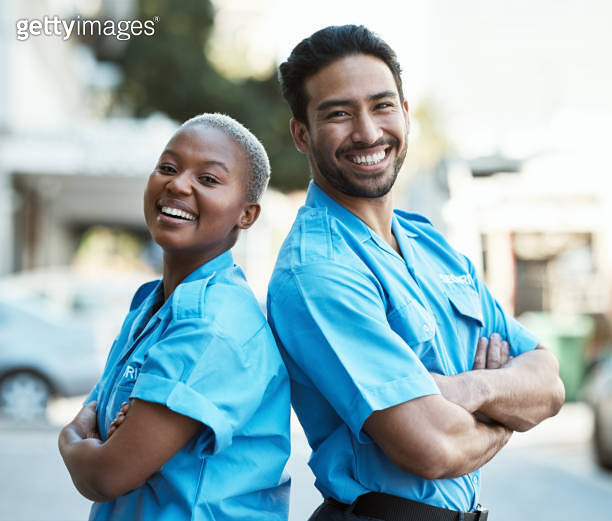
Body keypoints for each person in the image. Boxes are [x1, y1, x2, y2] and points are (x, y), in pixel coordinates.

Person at [267, 25, 565, 521]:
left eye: (382, 106)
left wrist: (470, 391)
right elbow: (433, 448)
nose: (367, 132)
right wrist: (507, 416)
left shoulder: (428, 243)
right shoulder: (317, 272)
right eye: (339, 114)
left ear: (405, 115)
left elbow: (550, 383)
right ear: (302, 134)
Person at [59, 113, 291, 521]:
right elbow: (103, 418)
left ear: (247, 215)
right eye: (168, 168)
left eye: (208, 179)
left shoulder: (213, 325)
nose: (178, 184)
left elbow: (105, 474)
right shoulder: (154, 306)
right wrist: (100, 435)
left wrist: (70, 437)